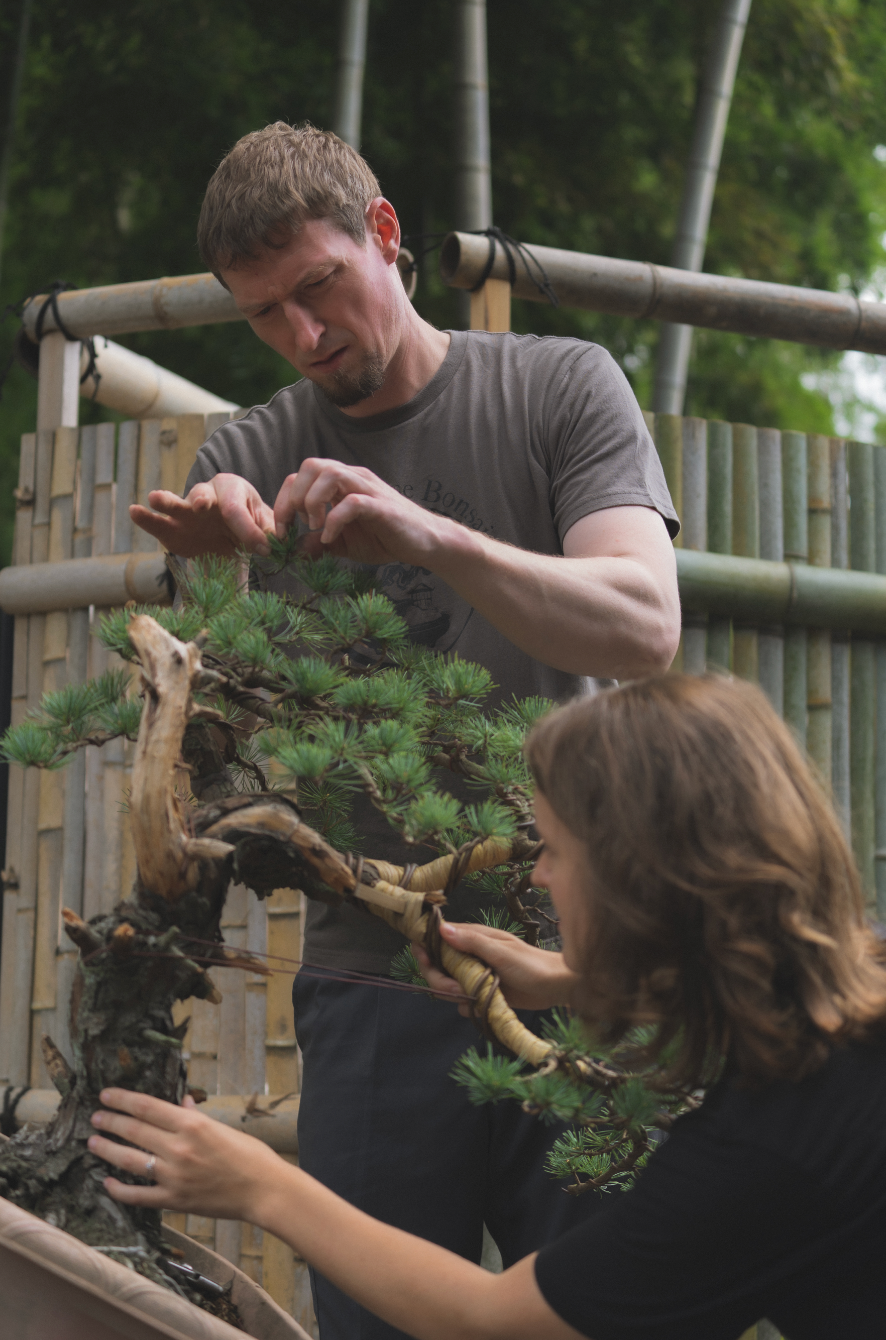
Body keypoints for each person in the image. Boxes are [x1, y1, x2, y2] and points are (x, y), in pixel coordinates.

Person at [129, 121, 681, 1336]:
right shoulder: (255, 453)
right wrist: (214, 592)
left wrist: (435, 537)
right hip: (369, 965)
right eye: (266, 315)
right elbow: (206, 743)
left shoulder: (558, 384)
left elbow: (642, 628)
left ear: (383, 234)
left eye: (317, 289)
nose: (303, 336)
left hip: (580, 956)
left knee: (610, 1314)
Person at [89, 674, 886, 1340]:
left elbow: (497, 1317)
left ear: (641, 884)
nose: (537, 879)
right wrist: (576, 977)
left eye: (557, 853)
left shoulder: (764, 1150)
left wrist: (262, 1187)